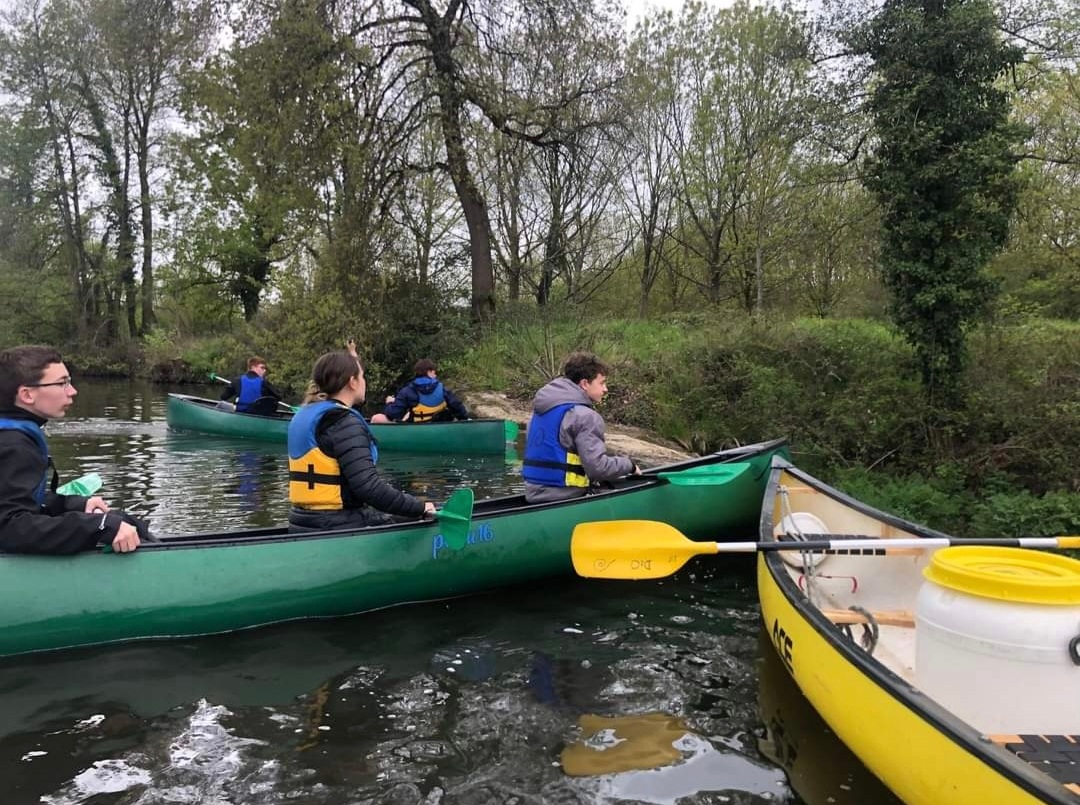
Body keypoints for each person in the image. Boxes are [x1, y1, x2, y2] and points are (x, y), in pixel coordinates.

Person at [0, 345, 145, 554]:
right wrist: (98, 526)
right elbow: (10, 528)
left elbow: (15, 501)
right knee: (113, 524)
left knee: (121, 521)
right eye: (62, 383)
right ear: (27, 395)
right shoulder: (12, 445)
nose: (72, 391)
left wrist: (73, 505)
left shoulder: (12, 436)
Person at [287, 349, 437, 531]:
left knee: (393, 514)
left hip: (301, 523)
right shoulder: (343, 422)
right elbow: (369, 488)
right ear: (352, 382)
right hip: (337, 525)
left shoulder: (306, 414)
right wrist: (420, 507)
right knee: (420, 517)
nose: (364, 382)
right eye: (362, 377)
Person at [522, 351, 641, 504]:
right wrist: (629, 465)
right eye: (601, 383)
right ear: (585, 383)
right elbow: (598, 468)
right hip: (565, 496)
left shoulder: (541, 411)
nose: (605, 389)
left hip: (533, 494)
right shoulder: (585, 416)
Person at [370, 358, 469, 424]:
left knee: (376, 418)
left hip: (417, 428)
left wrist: (389, 403)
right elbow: (457, 406)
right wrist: (465, 419)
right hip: (438, 426)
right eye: (434, 371)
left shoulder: (407, 391)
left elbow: (393, 414)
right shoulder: (442, 388)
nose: (435, 374)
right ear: (428, 372)